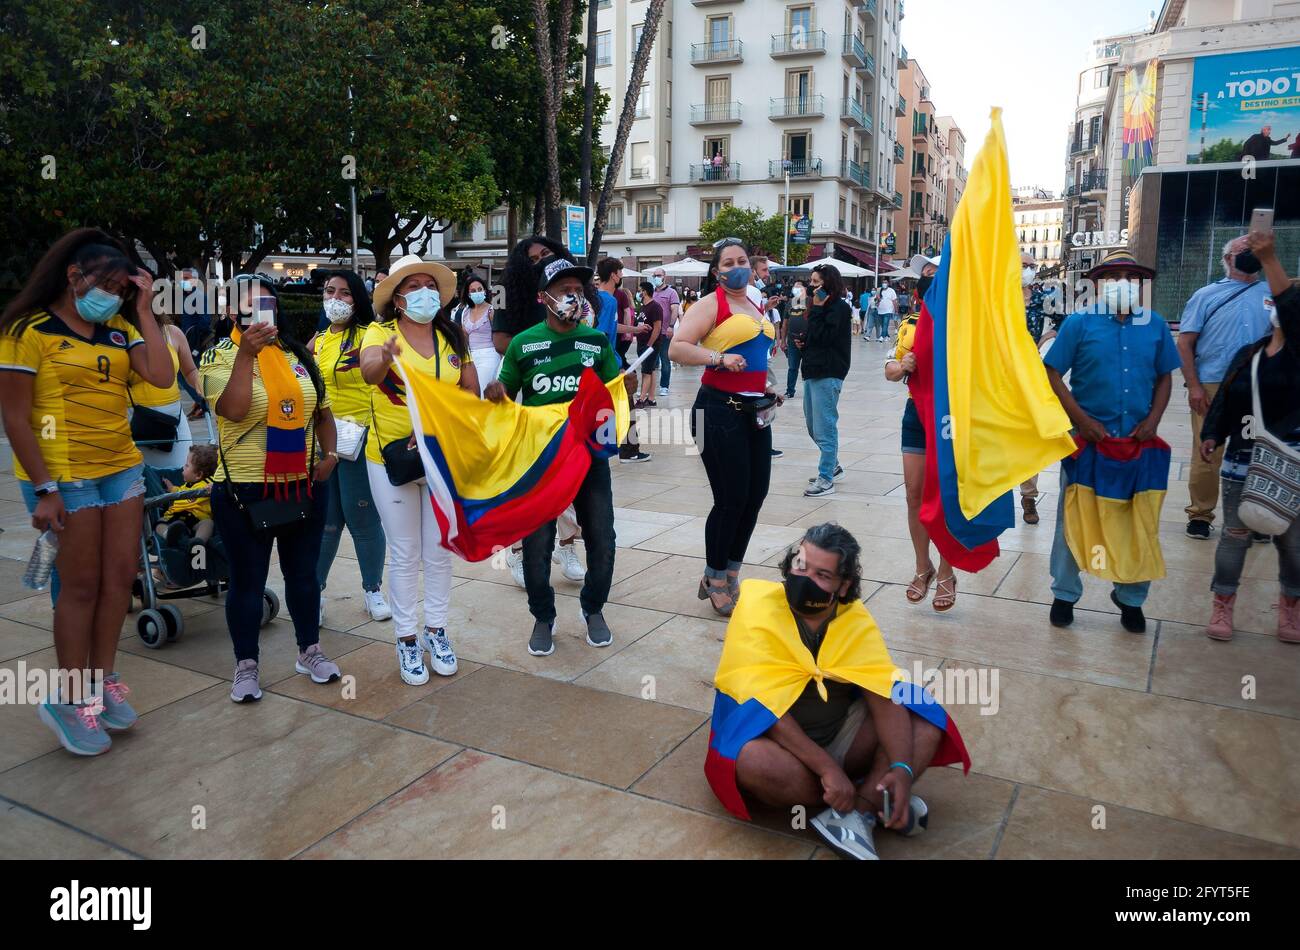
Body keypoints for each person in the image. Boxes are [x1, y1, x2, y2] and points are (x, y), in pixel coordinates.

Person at [0, 229, 175, 754]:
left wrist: (144, 307)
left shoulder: (120, 328)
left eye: (123, 289)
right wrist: (45, 489)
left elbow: (162, 378)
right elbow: (14, 416)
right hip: (64, 479)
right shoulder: (26, 331)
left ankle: (99, 686)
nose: (114, 296)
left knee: (118, 581)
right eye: (110, 286)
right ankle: (69, 699)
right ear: (74, 277)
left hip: (121, 471)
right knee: (78, 587)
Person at [717, 524, 965, 860]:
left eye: (822, 575)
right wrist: (827, 770)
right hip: (782, 745)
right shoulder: (757, 608)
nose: (805, 580)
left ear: (843, 585)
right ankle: (867, 797)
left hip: (843, 734)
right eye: (801, 567)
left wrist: (904, 769)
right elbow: (766, 712)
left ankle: (861, 809)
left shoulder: (854, 618)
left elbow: (882, 694)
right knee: (752, 762)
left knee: (923, 714)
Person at [202, 276, 342, 702]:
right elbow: (233, 409)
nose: (261, 308)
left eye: (267, 301)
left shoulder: (298, 355)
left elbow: (322, 411)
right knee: (247, 582)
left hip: (301, 486)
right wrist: (247, 353)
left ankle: (309, 651)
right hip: (244, 492)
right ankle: (246, 665)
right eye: (249, 304)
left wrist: (330, 457)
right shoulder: (217, 355)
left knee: (303, 577)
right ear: (230, 314)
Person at [486, 257, 621, 656]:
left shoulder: (596, 342)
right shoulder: (523, 344)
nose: (573, 297)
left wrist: (622, 392)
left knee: (603, 537)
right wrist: (496, 396)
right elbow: (505, 396)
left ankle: (593, 609)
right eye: (565, 291)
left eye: (578, 291)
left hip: (588, 458)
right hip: (540, 460)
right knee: (537, 544)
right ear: (543, 297)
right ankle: (543, 617)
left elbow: (612, 395)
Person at [1043, 251, 1181, 633]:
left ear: (1140, 284)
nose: (1122, 281)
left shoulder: (1153, 325)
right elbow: (1052, 373)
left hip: (1137, 443)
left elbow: (1166, 376)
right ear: (1099, 283)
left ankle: (1131, 598)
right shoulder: (1079, 324)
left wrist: (1153, 420)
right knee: (1073, 517)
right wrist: (1081, 420)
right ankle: (1065, 594)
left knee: (1138, 521)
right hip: (1088, 443)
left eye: (1130, 275)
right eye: (1114, 275)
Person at [360, 255, 478, 685]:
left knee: (440, 548)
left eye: (431, 284)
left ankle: (436, 631)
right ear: (397, 298)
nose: (425, 292)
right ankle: (407, 638)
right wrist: (387, 355)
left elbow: (470, 394)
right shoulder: (380, 332)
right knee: (406, 552)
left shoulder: (454, 335)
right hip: (391, 459)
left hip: (439, 457)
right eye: (414, 286)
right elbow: (371, 373)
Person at [1199, 229, 1300, 643]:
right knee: (1235, 535)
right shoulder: (1251, 352)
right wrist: (1212, 432)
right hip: (1243, 457)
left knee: (1292, 541)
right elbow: (1227, 393)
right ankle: (1223, 605)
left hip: (1291, 461)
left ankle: (1290, 609)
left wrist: (1270, 259)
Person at [668, 238, 779, 616]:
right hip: (717, 412)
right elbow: (677, 348)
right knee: (730, 499)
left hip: (754, 412)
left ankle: (732, 571)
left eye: (743, 260)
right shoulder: (709, 304)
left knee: (755, 495)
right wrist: (717, 357)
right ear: (717, 271)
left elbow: (753, 355)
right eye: (728, 262)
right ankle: (713, 577)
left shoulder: (754, 302)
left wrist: (763, 384)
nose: (737, 267)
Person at [494, 236, 589, 586]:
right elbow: (500, 340)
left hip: (570, 398)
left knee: (568, 476)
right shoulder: (505, 290)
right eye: (531, 258)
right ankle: (517, 552)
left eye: (545, 254)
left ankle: (566, 545)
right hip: (526, 389)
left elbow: (588, 335)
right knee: (529, 480)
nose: (539, 261)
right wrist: (537, 347)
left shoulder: (572, 289)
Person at [1177, 235, 1273, 540]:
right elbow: (1186, 343)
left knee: (1255, 453)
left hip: (1258, 385)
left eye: (1254, 251)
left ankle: (1253, 517)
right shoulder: (1206, 295)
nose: (1250, 255)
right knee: (1207, 452)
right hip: (1213, 384)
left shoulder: (1272, 293)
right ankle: (1201, 515)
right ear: (1229, 258)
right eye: (1244, 251)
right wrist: (1194, 386)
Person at [308, 269, 390, 625]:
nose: (336, 299)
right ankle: (315, 592)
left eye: (345, 293)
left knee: (362, 517)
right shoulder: (320, 339)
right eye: (330, 292)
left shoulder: (369, 334)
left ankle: (373, 589)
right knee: (326, 522)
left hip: (361, 437)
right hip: (325, 439)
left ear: (357, 299)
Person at [884, 260, 956, 612]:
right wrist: (903, 366)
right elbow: (890, 369)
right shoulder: (909, 324)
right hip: (916, 415)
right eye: (927, 277)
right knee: (914, 493)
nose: (932, 282)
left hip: (953, 419)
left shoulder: (965, 327)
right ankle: (922, 566)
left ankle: (946, 571)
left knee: (945, 496)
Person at [799, 264, 852, 498]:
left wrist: (818, 310)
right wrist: (805, 341)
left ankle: (826, 478)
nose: (812, 287)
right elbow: (817, 338)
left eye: (816, 282)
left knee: (825, 428)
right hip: (812, 370)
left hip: (828, 372)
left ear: (828, 284)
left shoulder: (839, 308)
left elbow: (827, 337)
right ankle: (834, 465)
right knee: (813, 427)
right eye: (811, 282)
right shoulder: (818, 307)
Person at [128, 309, 204, 470]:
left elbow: (190, 370)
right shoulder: (118, 334)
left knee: (181, 474)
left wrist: (204, 385)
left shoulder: (172, 332)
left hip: (173, 421)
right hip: (134, 423)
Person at [1019, 252, 1049, 525]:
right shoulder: (997, 298)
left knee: (1030, 437)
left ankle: (1029, 498)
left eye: (1031, 266)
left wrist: (1041, 343)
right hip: (1001, 377)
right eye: (1023, 265)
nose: (1027, 270)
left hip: (1031, 374)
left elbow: (1063, 324)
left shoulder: (1042, 299)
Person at [155, 443, 218, 547]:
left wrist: (214, 487)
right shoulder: (186, 486)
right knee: (160, 522)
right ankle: (169, 535)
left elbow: (220, 483)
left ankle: (198, 542)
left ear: (198, 475)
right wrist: (171, 487)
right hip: (174, 517)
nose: (183, 468)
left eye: (186, 465)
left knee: (208, 523)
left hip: (196, 518)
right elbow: (178, 491)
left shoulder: (208, 484)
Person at [452, 271, 500, 393]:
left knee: (482, 390)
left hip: (489, 355)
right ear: (468, 294)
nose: (477, 292)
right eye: (473, 291)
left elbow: (498, 336)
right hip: (470, 356)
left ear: (485, 290)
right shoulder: (464, 312)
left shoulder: (491, 311)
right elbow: (465, 338)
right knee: (469, 393)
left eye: (480, 289)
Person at [650, 267, 681, 396]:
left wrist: (671, 326)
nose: (656, 277)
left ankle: (664, 386)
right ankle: (649, 387)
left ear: (664, 276)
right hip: (651, 332)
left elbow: (675, 310)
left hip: (664, 332)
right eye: (654, 275)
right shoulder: (651, 292)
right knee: (650, 360)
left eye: (659, 275)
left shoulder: (671, 292)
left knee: (665, 359)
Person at [633, 280, 663, 408]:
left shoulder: (655, 307)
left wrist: (649, 345)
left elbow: (657, 328)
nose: (638, 293)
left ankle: (641, 399)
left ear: (645, 292)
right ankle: (651, 398)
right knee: (651, 370)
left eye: (640, 291)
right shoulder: (643, 306)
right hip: (642, 343)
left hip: (650, 345)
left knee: (646, 372)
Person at [783, 280, 808, 399]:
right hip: (792, 340)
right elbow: (785, 323)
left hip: (808, 341)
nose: (796, 289)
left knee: (808, 367)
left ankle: (809, 391)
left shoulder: (810, 302)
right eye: (794, 287)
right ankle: (790, 390)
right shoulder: (789, 303)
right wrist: (783, 341)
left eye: (799, 287)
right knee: (792, 367)